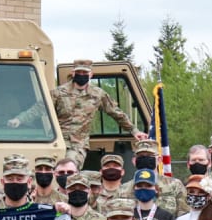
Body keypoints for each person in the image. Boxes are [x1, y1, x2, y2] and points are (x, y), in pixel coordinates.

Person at [8, 58, 147, 166]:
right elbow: (38, 109)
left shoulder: (98, 95)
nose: (81, 75)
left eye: (85, 73)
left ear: (91, 75)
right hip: (57, 142)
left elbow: (116, 113)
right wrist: (19, 120)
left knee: (69, 167)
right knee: (45, 170)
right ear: (73, 73)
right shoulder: (58, 93)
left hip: (78, 145)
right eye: (79, 73)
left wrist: (134, 131)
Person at [124, 139, 186, 216]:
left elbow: (184, 216)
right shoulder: (124, 189)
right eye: (141, 156)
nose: (145, 159)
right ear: (134, 161)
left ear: (159, 159)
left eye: (149, 156)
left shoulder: (175, 185)